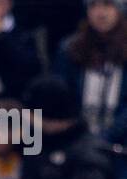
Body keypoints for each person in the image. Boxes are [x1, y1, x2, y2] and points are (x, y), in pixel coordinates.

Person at [54, 0, 127, 142]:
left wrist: (105, 137)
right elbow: (63, 98)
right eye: (93, 5)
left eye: (107, 4)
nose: (100, 13)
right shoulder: (70, 49)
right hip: (78, 141)